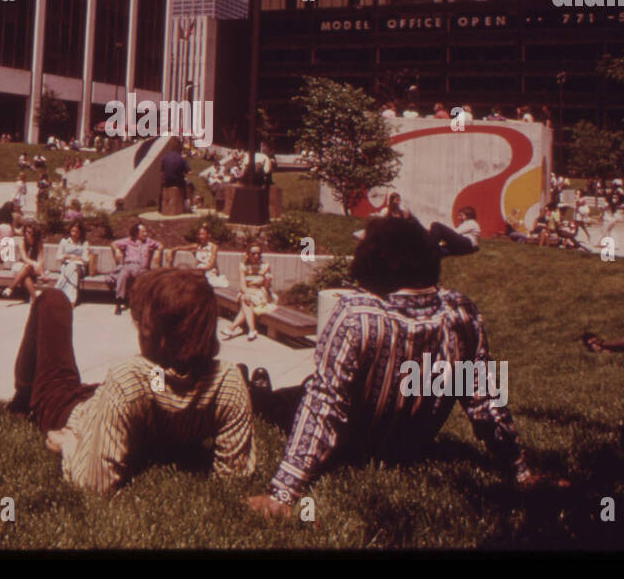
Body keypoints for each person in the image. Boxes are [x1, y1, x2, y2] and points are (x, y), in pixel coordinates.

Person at [243, 215, 567, 517]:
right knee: (290, 393)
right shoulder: (460, 312)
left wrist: (283, 492)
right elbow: (483, 399)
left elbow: (323, 405)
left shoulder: (358, 314)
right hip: (411, 444)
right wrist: (520, 471)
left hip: (351, 441)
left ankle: (250, 390)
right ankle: (257, 388)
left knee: (287, 399)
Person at [4, 268, 255, 494]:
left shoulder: (130, 378)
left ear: (155, 335)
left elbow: (94, 483)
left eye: (141, 323)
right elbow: (235, 474)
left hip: (70, 409)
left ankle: (23, 399)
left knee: (52, 299)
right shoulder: (228, 381)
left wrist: (69, 445)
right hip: (108, 400)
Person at [108, 222, 162, 315]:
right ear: (136, 233)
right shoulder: (128, 241)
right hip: (130, 265)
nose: (146, 233)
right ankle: (119, 301)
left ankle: (143, 305)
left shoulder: (148, 241)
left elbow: (160, 245)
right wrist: (117, 250)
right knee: (123, 275)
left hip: (142, 269)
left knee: (148, 279)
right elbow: (113, 243)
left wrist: (158, 251)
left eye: (146, 231)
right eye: (143, 232)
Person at [223, 244, 274, 341]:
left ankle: (233, 327)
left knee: (246, 300)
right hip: (247, 291)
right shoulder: (243, 266)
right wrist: (246, 293)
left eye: (259, 253)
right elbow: (242, 284)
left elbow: (266, 287)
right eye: (253, 253)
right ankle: (251, 330)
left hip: (261, 293)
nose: (256, 256)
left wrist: (267, 281)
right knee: (246, 298)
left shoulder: (265, 266)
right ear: (248, 254)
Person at [171, 224, 228, 288]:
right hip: (198, 272)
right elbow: (181, 247)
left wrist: (198, 270)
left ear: (208, 235)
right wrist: (172, 250)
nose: (200, 236)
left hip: (209, 272)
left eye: (203, 234)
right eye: (199, 234)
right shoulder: (196, 246)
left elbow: (211, 264)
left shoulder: (213, 247)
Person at [54, 220, 92, 306]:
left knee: (73, 266)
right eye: (72, 231)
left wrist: (75, 258)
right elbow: (58, 256)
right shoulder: (64, 241)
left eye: (77, 232)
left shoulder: (84, 243)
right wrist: (68, 257)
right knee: (71, 269)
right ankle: (71, 300)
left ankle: (58, 291)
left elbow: (86, 259)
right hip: (66, 266)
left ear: (81, 232)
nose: (74, 234)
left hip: (80, 268)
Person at [9, 223, 45, 303]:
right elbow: (24, 258)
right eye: (26, 231)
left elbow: (40, 258)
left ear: (35, 234)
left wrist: (42, 274)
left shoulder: (39, 242)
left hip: (34, 269)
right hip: (19, 267)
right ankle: (34, 298)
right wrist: (34, 264)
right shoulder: (22, 241)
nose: (26, 234)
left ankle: (11, 287)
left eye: (29, 232)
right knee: (26, 274)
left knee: (27, 270)